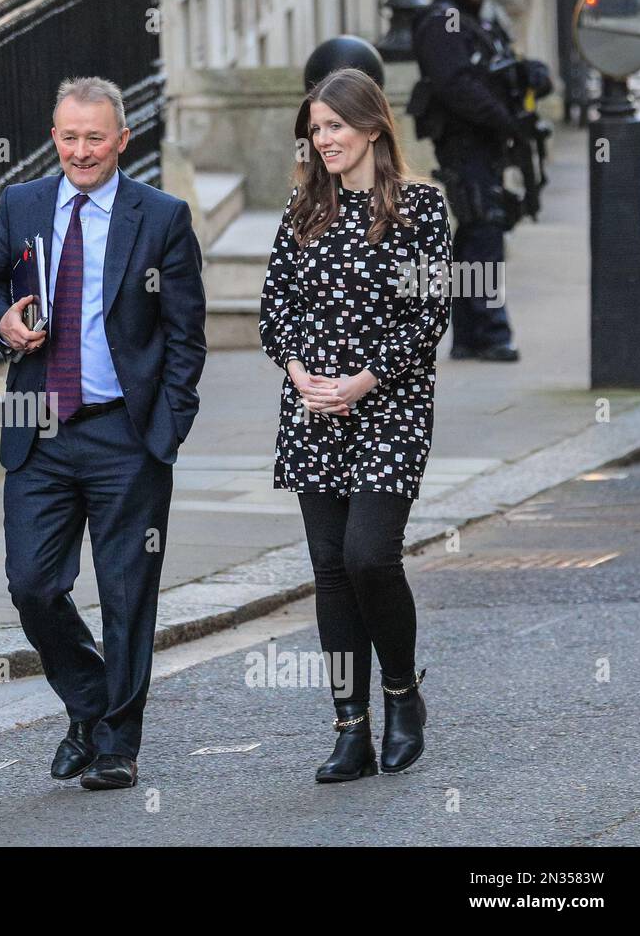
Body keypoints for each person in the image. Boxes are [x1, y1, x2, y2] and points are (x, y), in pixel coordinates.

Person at [0, 76, 207, 790]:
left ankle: (117, 745)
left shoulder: (161, 218)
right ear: (54, 138)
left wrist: (164, 428)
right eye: (69, 137)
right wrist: (3, 321)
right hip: (40, 430)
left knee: (128, 594)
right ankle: (89, 703)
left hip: (124, 437)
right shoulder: (22, 206)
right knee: (32, 585)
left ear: (122, 139)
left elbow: (185, 335)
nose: (81, 150)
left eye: (95, 137)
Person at [258, 68, 452, 782]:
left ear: (371, 126)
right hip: (313, 413)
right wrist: (297, 368)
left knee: (371, 555)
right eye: (315, 129)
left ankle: (403, 695)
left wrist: (366, 379)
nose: (324, 140)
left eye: (335, 126)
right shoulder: (303, 210)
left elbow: (430, 317)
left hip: (390, 406)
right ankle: (350, 728)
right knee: (332, 571)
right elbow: (274, 309)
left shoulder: (421, 208)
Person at [411, 0, 551, 362]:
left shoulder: (480, 21)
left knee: (478, 232)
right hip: (465, 145)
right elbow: (455, 85)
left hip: (488, 145)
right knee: (483, 229)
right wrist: (506, 121)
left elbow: (502, 70)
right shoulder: (443, 21)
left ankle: (471, 335)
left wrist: (533, 75)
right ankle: (490, 332)